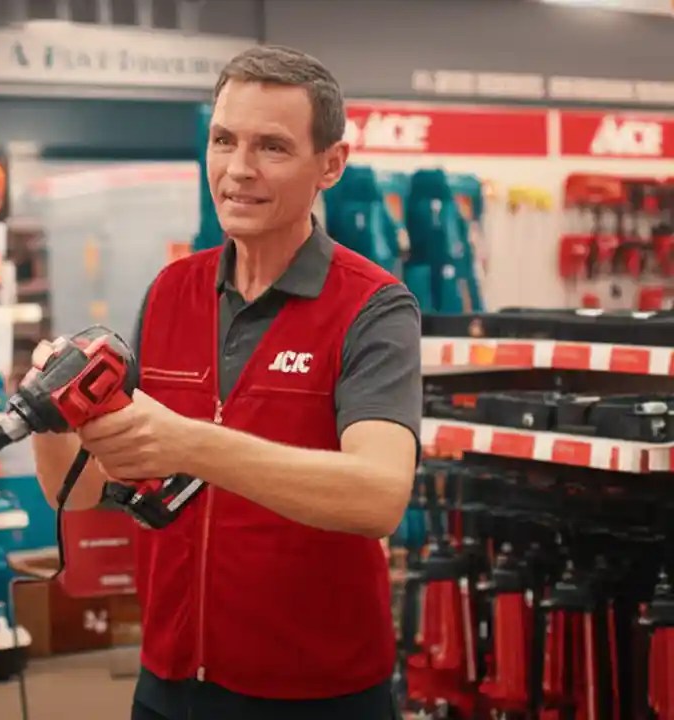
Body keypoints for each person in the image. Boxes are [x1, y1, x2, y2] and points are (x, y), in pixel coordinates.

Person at [32, 45, 421, 720]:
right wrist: (52, 417)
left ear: (331, 165)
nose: (239, 169)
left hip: (315, 695)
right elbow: (87, 491)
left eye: (272, 146)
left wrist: (191, 444)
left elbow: (379, 496)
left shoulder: (373, 307)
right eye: (223, 141)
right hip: (168, 681)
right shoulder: (171, 290)